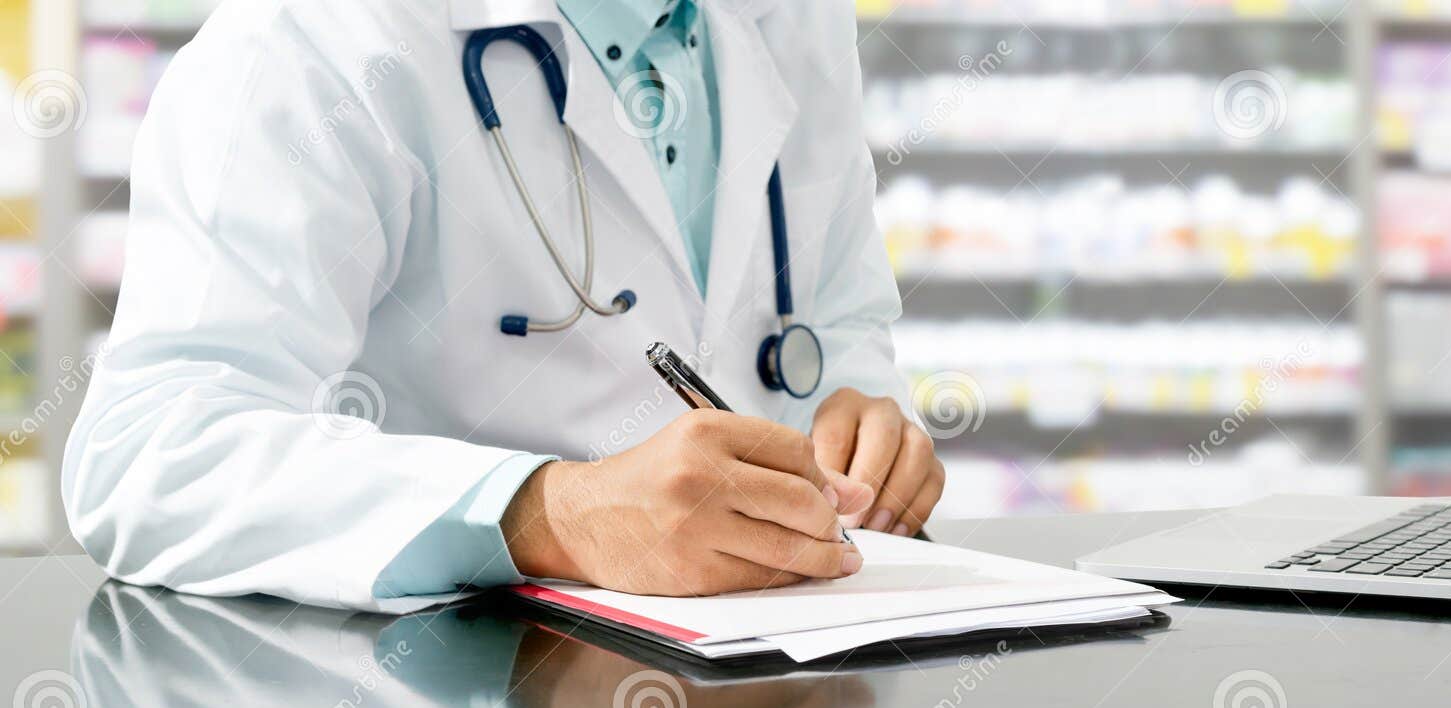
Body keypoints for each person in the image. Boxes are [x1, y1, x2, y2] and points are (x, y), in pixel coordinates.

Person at [61, 0, 945, 611]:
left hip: (768, 704)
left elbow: (837, 316)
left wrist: (862, 420)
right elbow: (149, 453)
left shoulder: (797, 17)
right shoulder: (314, 36)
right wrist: (546, 513)